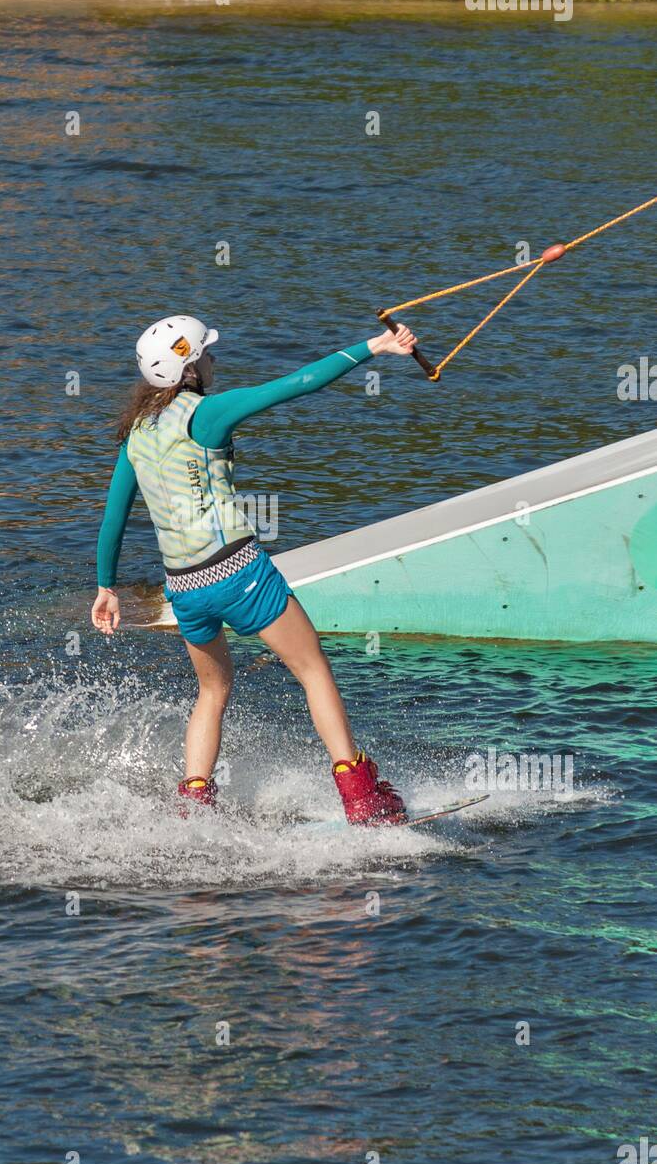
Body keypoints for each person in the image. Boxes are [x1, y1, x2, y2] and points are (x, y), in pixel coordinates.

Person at [91, 315, 418, 825]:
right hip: (238, 572)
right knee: (313, 671)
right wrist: (374, 347)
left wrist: (106, 586)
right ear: (189, 366)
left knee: (212, 691)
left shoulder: (136, 434)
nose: (214, 360)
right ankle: (359, 795)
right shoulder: (208, 413)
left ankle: (195, 806)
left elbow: (113, 518)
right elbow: (297, 385)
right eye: (207, 354)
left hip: (185, 590)